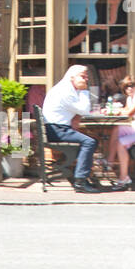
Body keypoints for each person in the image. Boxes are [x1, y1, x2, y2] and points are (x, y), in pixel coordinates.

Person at [41, 64, 104, 193]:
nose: (85, 79)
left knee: (91, 141)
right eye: (82, 76)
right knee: (89, 142)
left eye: (86, 77)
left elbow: (78, 110)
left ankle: (81, 175)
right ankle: (80, 181)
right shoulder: (66, 91)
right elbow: (85, 109)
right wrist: (85, 91)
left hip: (58, 128)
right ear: (72, 77)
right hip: (57, 130)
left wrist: (77, 116)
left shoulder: (66, 89)